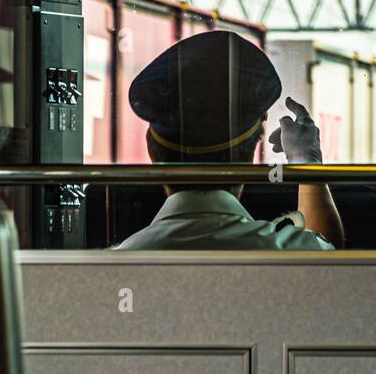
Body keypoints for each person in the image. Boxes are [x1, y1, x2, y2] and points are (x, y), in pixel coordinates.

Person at [111, 30, 344, 250]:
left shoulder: (113, 262)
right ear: (251, 151)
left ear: (152, 151)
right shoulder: (286, 252)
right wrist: (307, 162)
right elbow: (328, 258)